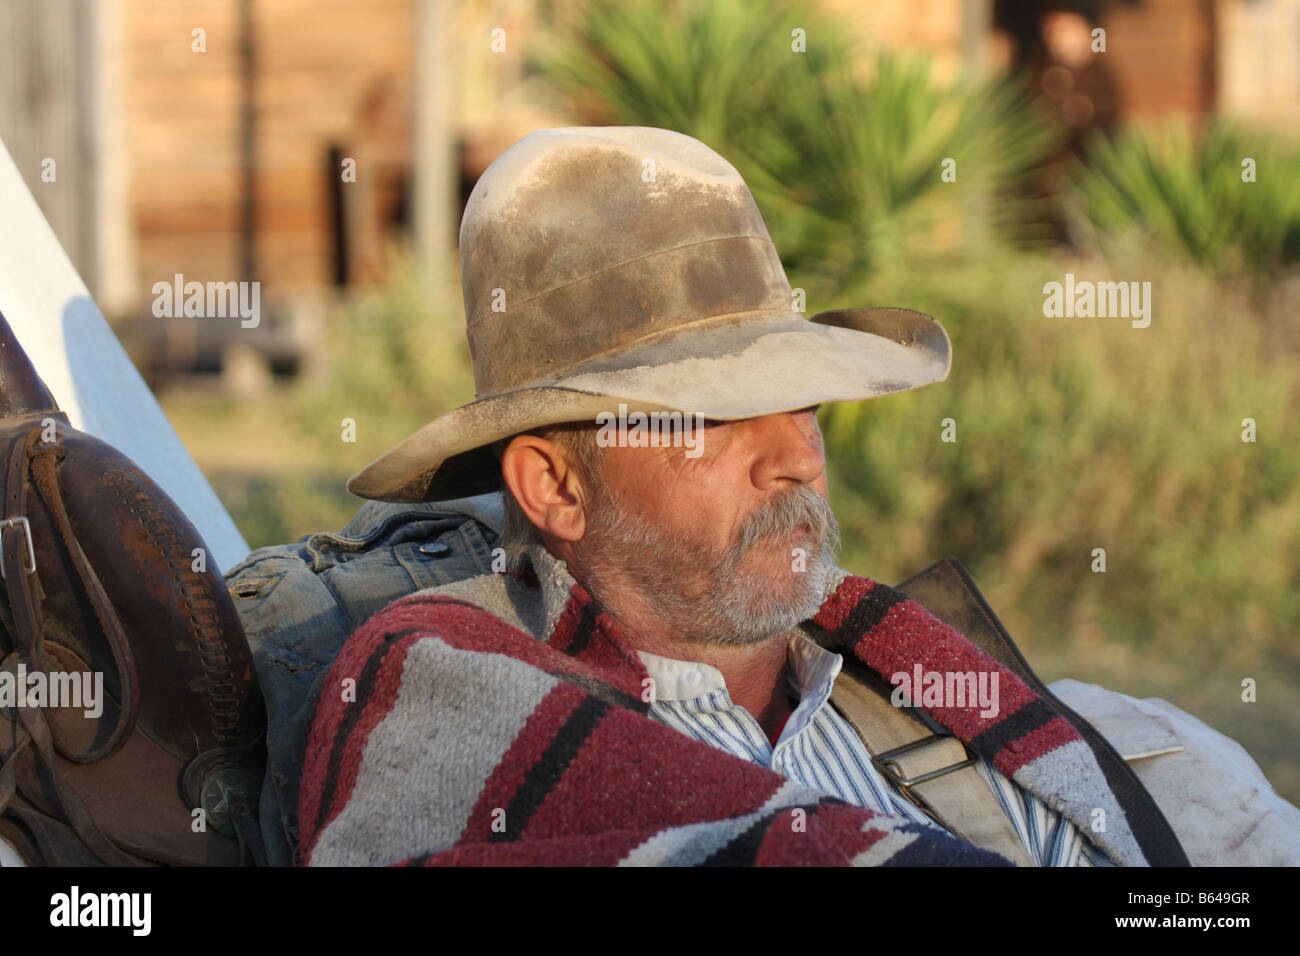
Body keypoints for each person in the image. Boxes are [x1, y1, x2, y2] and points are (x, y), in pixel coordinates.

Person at [228, 126, 1300, 867]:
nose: (794, 457)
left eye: (802, 404)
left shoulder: (921, 684)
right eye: (714, 415)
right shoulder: (453, 712)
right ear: (555, 484)